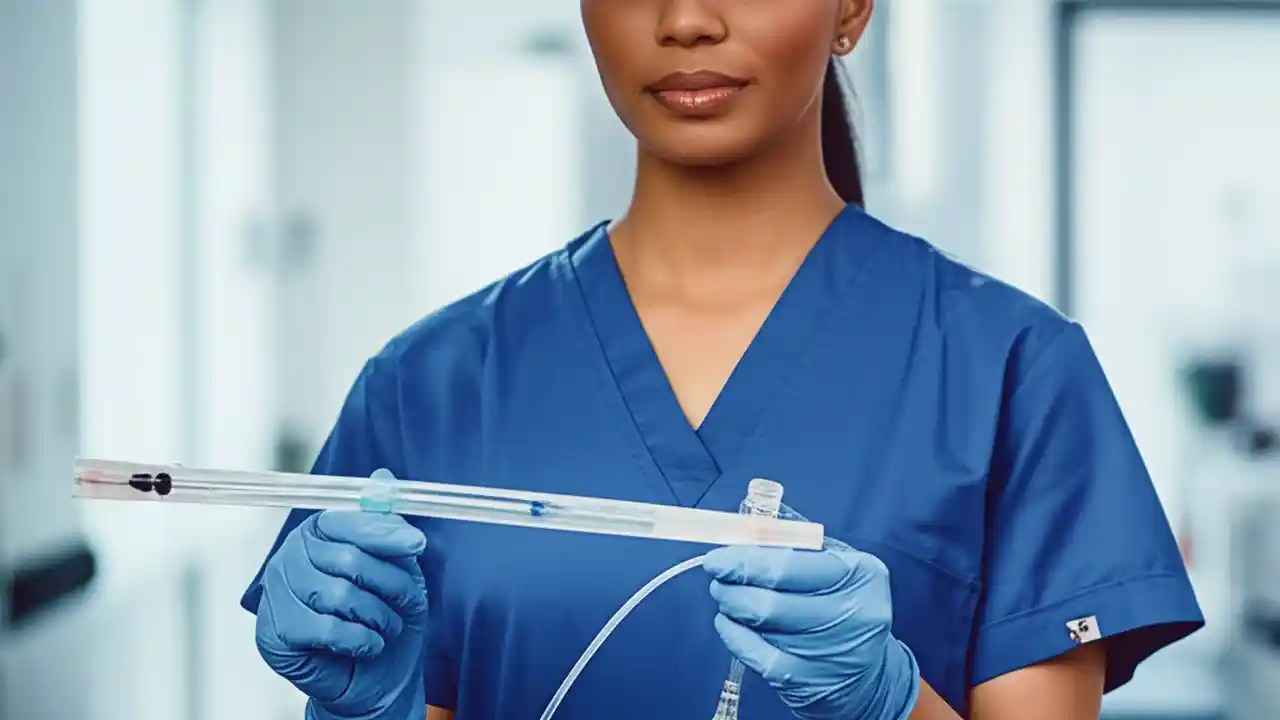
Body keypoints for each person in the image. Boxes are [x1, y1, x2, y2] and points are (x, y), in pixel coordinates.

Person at [241, 1, 1204, 718]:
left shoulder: (1013, 371)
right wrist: (369, 707)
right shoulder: (427, 387)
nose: (685, 20)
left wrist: (888, 700)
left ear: (853, 9)